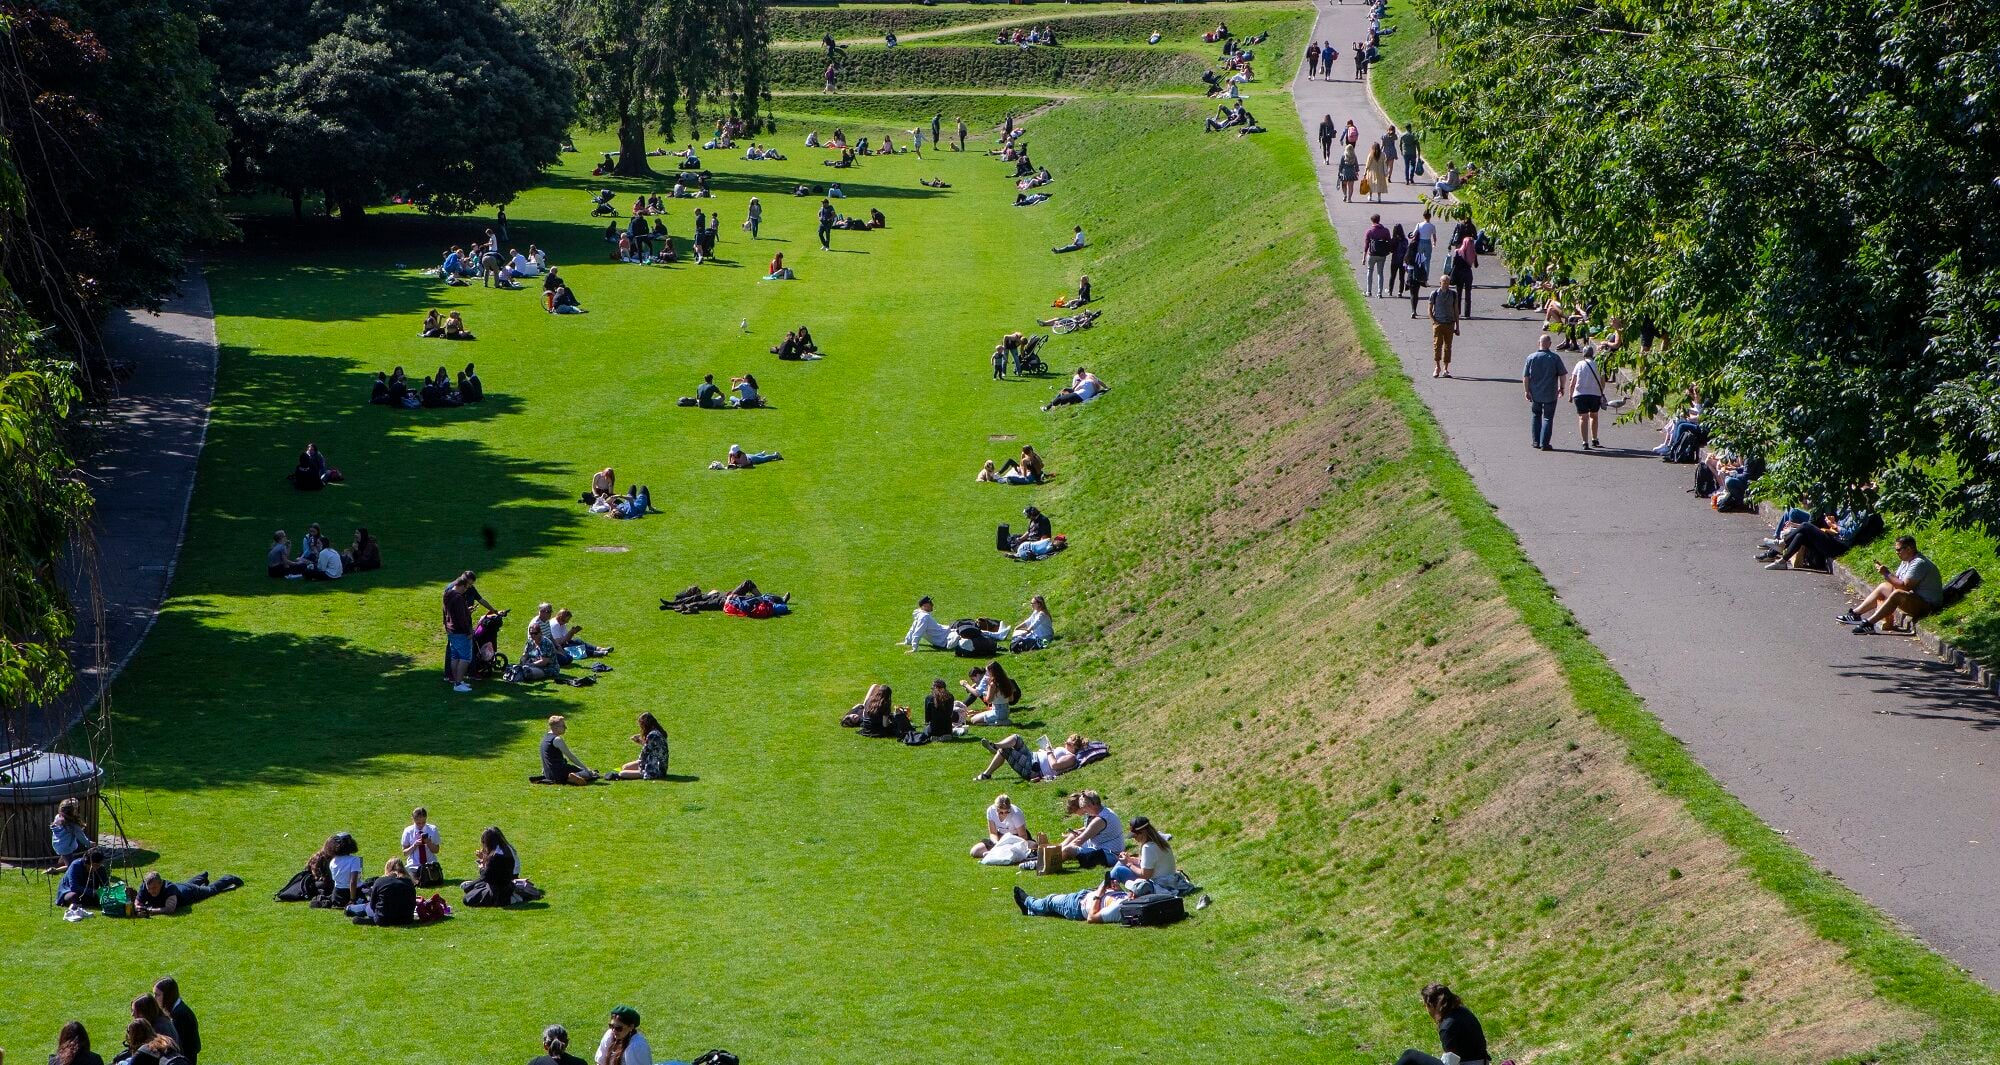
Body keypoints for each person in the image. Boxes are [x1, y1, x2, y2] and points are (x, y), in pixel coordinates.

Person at [1842, 536, 1946, 634]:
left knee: (1898, 593)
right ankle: (1856, 614)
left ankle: (1869, 623)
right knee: (1884, 586)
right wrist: (1886, 574)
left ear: (1909, 549)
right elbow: (1896, 581)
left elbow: (1904, 586)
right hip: (1915, 599)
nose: (1896, 553)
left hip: (1928, 606)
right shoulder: (1906, 561)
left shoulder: (1919, 563)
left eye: (1899, 550)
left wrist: (1886, 573)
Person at [1395, 984, 1491, 1065]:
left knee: (1410, 1055)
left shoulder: (1447, 1026)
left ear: (1432, 1005)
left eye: (1426, 1006)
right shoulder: (1462, 1011)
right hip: (1483, 1062)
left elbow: (1450, 1063)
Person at [974, 732, 1089, 782]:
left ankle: (986, 775)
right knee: (1016, 738)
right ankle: (994, 745)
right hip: (1032, 756)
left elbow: (1055, 766)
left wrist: (1049, 751)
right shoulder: (1065, 751)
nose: (1065, 743)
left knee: (1006, 750)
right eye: (1066, 741)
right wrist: (1045, 750)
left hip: (1033, 769)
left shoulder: (1071, 757)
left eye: (1068, 743)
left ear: (1075, 747)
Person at [1012, 877, 1132, 922]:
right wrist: (1117, 890)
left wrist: (1100, 893)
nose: (1129, 891)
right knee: (1053, 908)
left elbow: (1092, 917)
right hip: (1086, 895)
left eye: (1131, 890)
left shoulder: (1120, 907)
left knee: (1050, 900)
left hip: (1077, 906)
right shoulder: (1130, 899)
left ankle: (1027, 901)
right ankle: (1029, 911)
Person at [1523, 334, 1568, 451]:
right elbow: (1563, 374)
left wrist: (1527, 390)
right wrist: (1562, 388)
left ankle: (1536, 441)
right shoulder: (1554, 358)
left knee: (1536, 415)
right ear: (1550, 344)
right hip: (1550, 393)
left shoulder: (1531, 358)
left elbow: (1526, 377)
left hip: (1535, 393)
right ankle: (1545, 443)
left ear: (1539, 343)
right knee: (1548, 418)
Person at [133, 870, 244, 915]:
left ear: (160, 883)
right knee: (187, 884)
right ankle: (202, 877)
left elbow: (170, 909)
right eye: (149, 888)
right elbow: (137, 902)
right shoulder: (145, 886)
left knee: (211, 890)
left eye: (154, 888)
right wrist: (138, 907)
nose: (151, 891)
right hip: (181, 887)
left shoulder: (169, 889)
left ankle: (229, 878)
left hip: (191, 892)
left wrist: (149, 910)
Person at [1058, 790, 1124, 864]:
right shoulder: (1105, 811)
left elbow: (1079, 840)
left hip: (1109, 854)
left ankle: (1052, 860)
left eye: (1084, 808)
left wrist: (1065, 850)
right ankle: (1054, 851)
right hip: (1101, 846)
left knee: (1069, 850)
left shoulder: (1100, 820)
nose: (1085, 812)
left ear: (1090, 805)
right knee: (1072, 837)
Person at [460, 826, 520, 907]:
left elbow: (485, 876)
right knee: (470, 887)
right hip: (505, 885)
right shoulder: (505, 849)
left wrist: (482, 866)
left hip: (497, 891)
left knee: (467, 899)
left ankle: (509, 899)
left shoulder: (495, 857)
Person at [347, 858, 417, 926]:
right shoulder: (409, 882)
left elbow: (372, 905)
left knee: (365, 907)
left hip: (383, 918)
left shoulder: (380, 881)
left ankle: (349, 908)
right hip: (406, 919)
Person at [443, 572, 480, 692]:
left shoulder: (447, 594)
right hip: (461, 632)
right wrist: (468, 631)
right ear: (461, 585)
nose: (466, 590)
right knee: (465, 658)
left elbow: (450, 613)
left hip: (451, 630)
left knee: (455, 657)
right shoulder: (458, 597)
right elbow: (461, 618)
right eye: (466, 587)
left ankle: (457, 681)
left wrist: (466, 610)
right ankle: (458, 684)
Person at [608, 712, 671, 780]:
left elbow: (644, 754)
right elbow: (652, 747)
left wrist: (639, 740)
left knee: (622, 773)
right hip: (656, 765)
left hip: (654, 769)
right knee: (625, 767)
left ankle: (643, 773)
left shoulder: (652, 735)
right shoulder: (657, 732)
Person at [149, 980, 197, 1065]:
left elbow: (177, 1043)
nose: (154, 998)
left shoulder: (180, 1015)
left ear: (168, 996)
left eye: (157, 995)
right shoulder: (176, 1009)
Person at [540, 715, 597, 785]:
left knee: (572, 766)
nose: (565, 728)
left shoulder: (545, 738)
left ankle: (573, 776)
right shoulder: (557, 740)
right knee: (588, 773)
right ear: (556, 727)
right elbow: (571, 757)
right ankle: (574, 777)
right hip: (559, 773)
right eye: (563, 726)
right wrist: (585, 768)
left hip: (548, 774)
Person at [1570, 344, 1607, 449]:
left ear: (1583, 354)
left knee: (1583, 418)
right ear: (1593, 353)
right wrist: (1601, 391)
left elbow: (1573, 382)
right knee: (1594, 416)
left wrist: (1570, 394)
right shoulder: (1598, 364)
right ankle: (1594, 439)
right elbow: (1603, 380)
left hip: (1580, 395)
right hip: (1595, 394)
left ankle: (1584, 442)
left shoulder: (1579, 364)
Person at [971, 793, 1030, 859]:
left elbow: (1023, 836)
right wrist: (997, 843)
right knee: (975, 851)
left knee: (1033, 846)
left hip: (1016, 838)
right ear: (996, 809)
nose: (1004, 815)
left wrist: (1009, 845)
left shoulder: (1016, 813)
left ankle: (995, 854)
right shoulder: (990, 811)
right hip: (1000, 837)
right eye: (1001, 812)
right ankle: (1002, 854)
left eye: (1007, 812)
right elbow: (993, 833)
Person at [966, 660, 1021, 725]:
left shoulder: (992, 684)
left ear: (991, 672)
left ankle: (998, 723)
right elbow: (1011, 699)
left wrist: (986, 692)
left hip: (997, 712)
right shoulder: (1007, 681)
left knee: (973, 720)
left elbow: (988, 701)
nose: (986, 674)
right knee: (976, 717)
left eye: (987, 672)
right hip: (1006, 711)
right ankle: (1001, 721)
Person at [401, 806, 442, 883]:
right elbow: (405, 852)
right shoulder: (408, 831)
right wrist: (414, 845)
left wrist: (429, 843)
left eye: (423, 822)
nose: (421, 825)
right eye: (418, 823)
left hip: (429, 865)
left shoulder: (432, 830)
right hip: (413, 866)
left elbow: (436, 850)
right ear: (413, 819)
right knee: (414, 881)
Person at [49, 797, 93, 868]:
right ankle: (54, 870)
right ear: (74, 812)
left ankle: (60, 862)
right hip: (66, 848)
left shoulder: (58, 817)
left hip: (57, 843)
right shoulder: (73, 826)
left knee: (64, 854)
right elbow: (82, 838)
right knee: (71, 866)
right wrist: (89, 843)